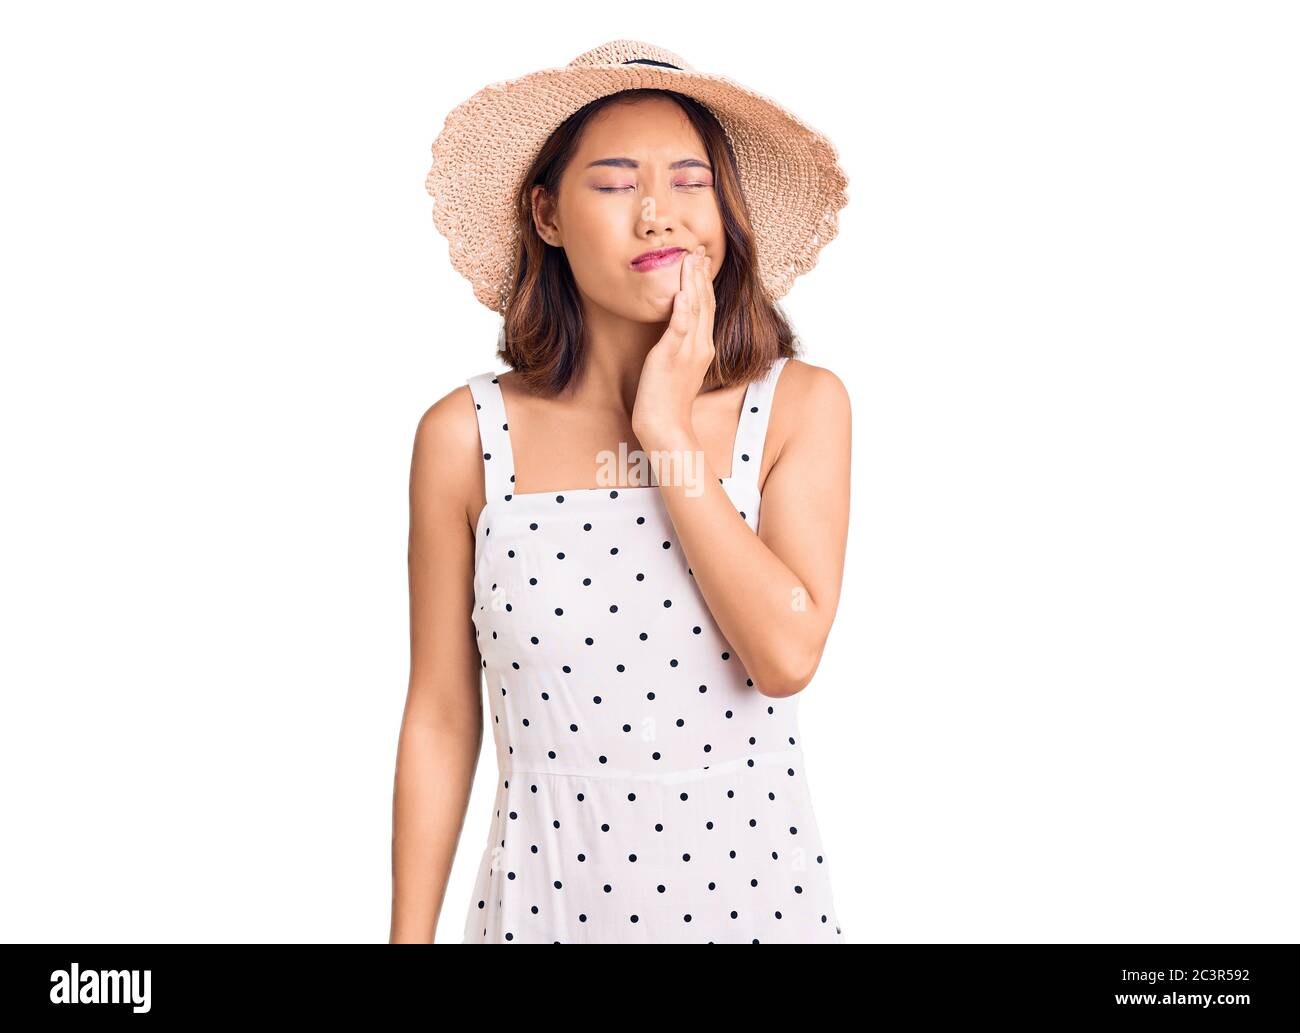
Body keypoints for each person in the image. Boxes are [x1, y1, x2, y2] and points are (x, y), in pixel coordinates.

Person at [391, 40, 852, 943]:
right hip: (540, 914)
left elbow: (786, 654)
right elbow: (441, 718)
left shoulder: (798, 408)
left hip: (753, 914)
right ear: (548, 215)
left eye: (690, 182)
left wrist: (668, 434)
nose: (659, 216)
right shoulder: (464, 437)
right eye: (613, 183)